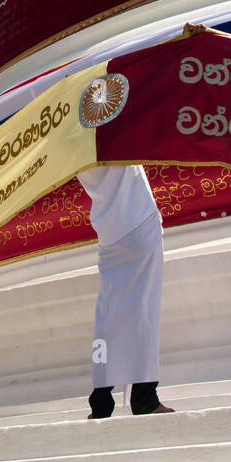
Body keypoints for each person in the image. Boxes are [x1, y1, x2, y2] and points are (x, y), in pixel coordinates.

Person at [76, 165, 173, 419]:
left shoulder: (69, 136)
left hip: (108, 227)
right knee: (143, 313)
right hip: (138, 219)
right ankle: (144, 396)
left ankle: (102, 396)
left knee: (108, 316)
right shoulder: (109, 126)